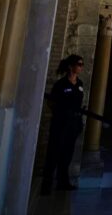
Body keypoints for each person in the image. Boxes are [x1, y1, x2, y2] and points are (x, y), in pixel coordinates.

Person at [41, 54, 85, 195]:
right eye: (79, 64)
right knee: (54, 152)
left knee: (67, 153)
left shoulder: (80, 84)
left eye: (82, 64)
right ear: (71, 66)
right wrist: (61, 113)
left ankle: (63, 182)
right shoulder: (61, 84)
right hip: (61, 123)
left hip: (73, 123)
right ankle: (46, 184)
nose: (81, 67)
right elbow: (51, 102)